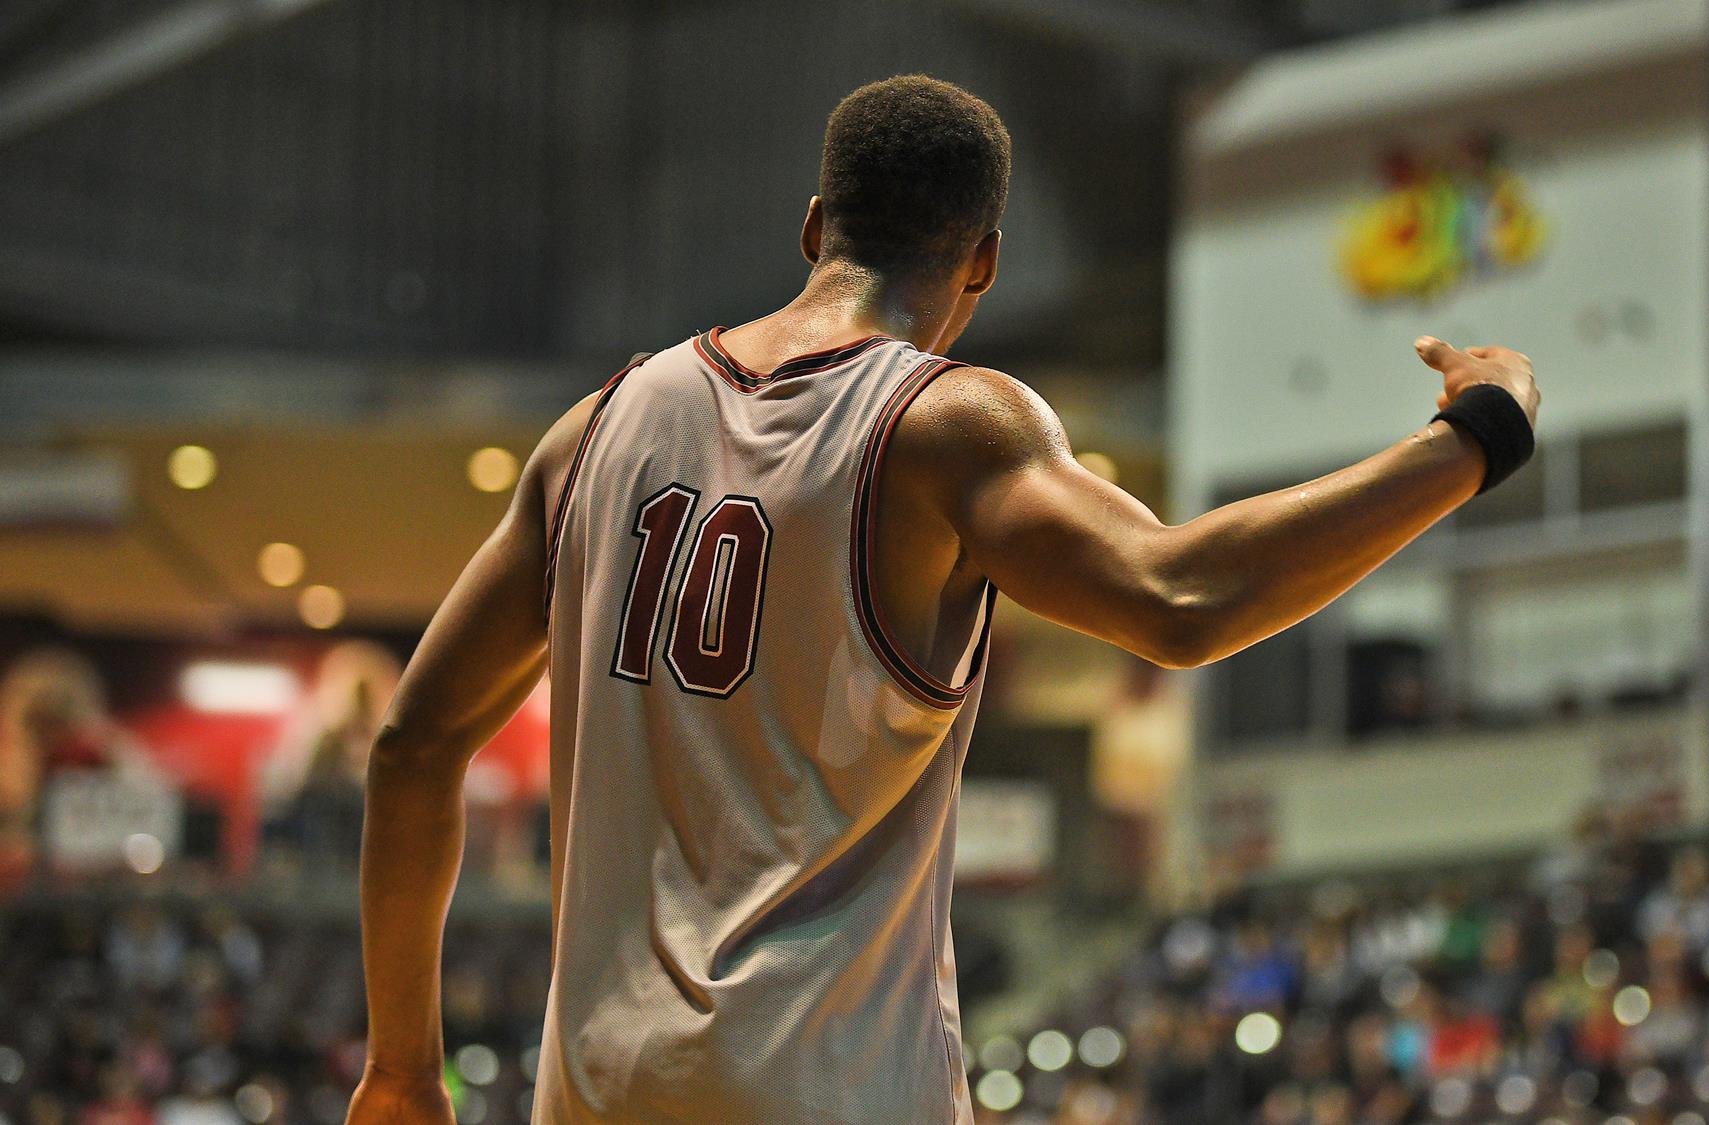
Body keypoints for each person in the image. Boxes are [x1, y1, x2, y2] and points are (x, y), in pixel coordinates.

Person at [345, 74, 1539, 1125]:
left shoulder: (594, 429)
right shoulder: (947, 424)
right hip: (827, 1092)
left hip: (599, 1088)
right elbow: (1181, 597)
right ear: (982, 260)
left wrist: (403, 1072)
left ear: (815, 225)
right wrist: (1472, 435)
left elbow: (411, 744)